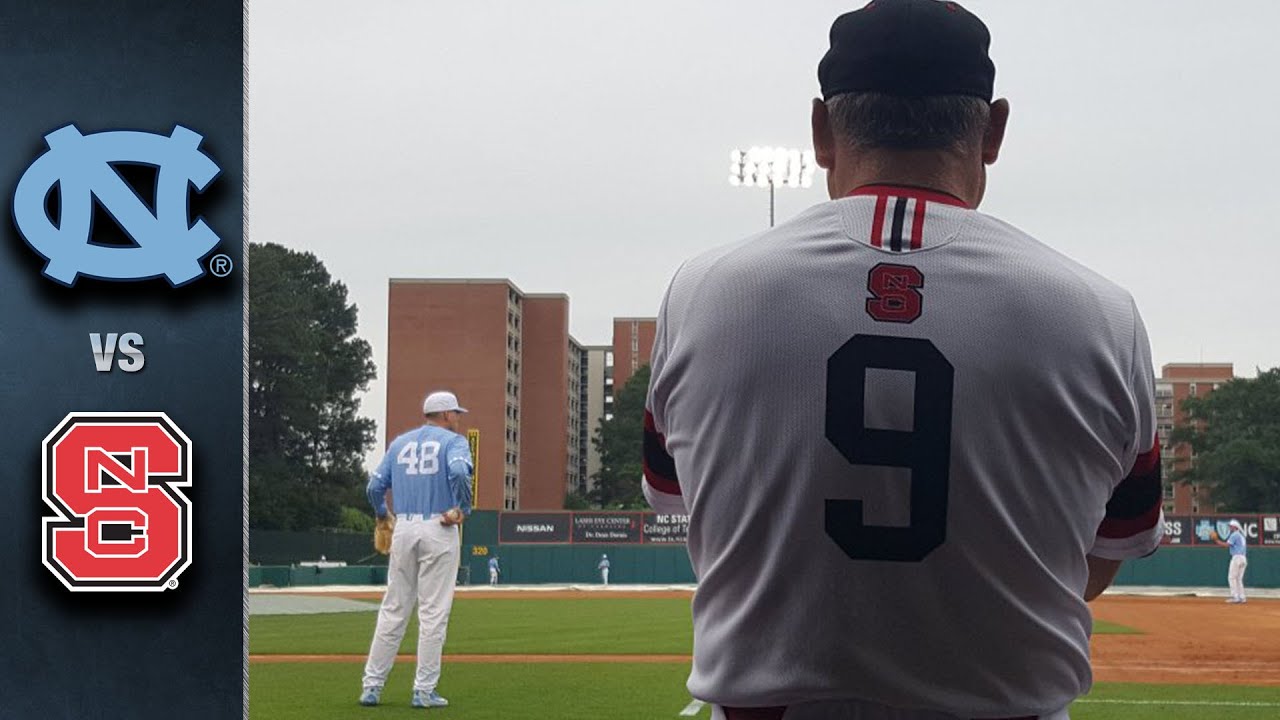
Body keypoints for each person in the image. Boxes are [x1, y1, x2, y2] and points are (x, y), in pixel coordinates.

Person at [642, 2, 1163, 719]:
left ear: (820, 131)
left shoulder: (703, 292)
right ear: (994, 131)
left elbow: (690, 510)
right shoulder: (1102, 314)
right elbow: (1104, 553)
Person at [359, 390, 473, 709]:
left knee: (393, 609)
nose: (458, 418)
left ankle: (372, 686)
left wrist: (382, 514)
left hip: (404, 526)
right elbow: (459, 472)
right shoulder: (454, 442)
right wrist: (462, 508)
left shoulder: (400, 443)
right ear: (446, 414)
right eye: (456, 413)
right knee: (433, 613)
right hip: (439, 525)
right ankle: (423, 690)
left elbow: (374, 486)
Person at [1211, 520, 1248, 603]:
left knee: (1232, 577)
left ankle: (1235, 596)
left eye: (1231, 526)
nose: (1229, 528)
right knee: (1238, 579)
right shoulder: (1241, 535)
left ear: (1235, 527)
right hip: (1243, 558)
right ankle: (1242, 597)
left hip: (1237, 557)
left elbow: (1226, 545)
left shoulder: (1234, 535)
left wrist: (1216, 540)